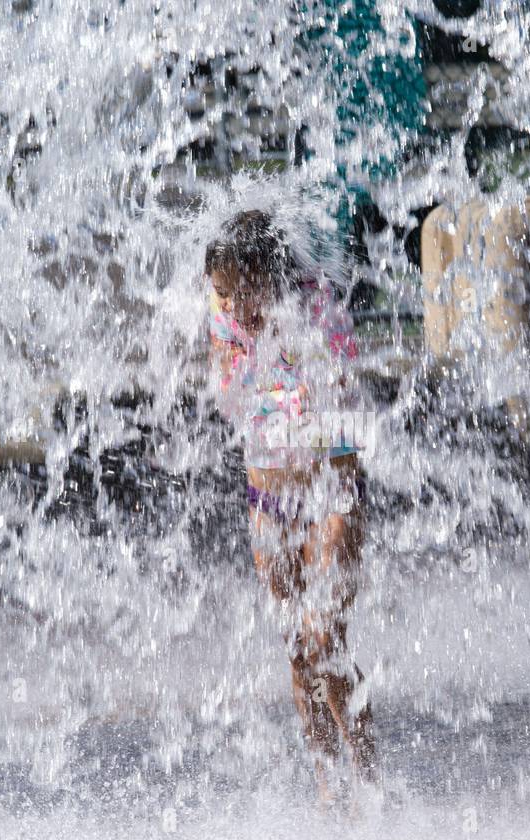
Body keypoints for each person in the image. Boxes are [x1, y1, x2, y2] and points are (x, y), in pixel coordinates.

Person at [204, 210, 376, 805]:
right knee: (298, 651)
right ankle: (329, 788)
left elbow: (346, 401)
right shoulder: (225, 314)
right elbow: (229, 397)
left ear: (266, 276)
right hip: (267, 496)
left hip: (331, 490)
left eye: (238, 294)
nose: (231, 309)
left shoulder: (314, 309)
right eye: (222, 296)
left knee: (324, 636)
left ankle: (369, 781)